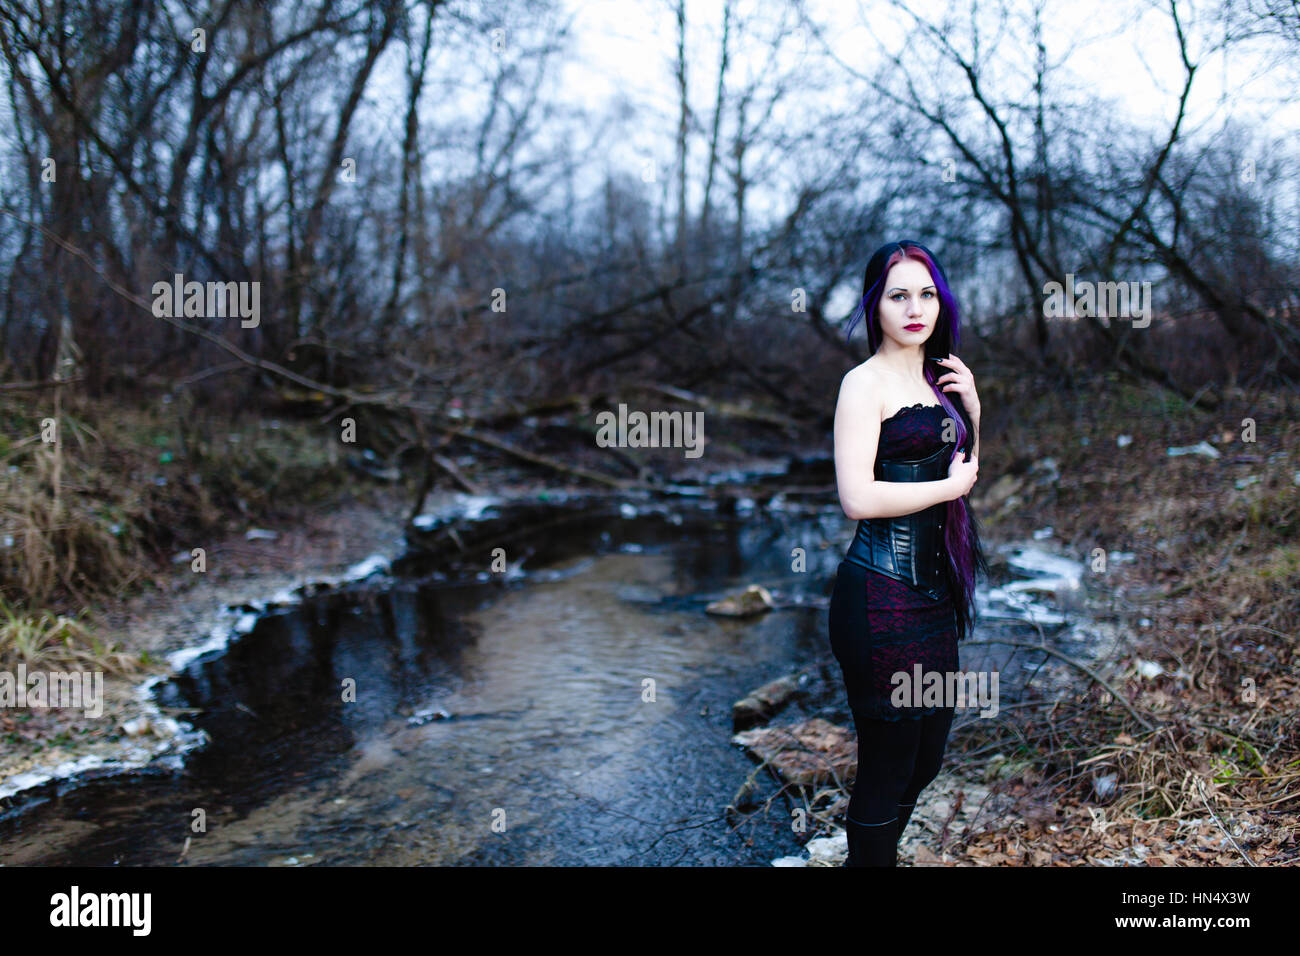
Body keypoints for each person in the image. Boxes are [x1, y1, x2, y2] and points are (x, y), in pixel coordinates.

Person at [828, 239, 991, 866]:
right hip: (878, 598)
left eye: (926, 293)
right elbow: (857, 497)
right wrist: (948, 485)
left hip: (932, 601)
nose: (914, 307)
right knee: (888, 766)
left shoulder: (938, 378)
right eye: (898, 295)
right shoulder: (861, 385)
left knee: (926, 762)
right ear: (877, 305)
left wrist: (974, 410)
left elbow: (965, 476)